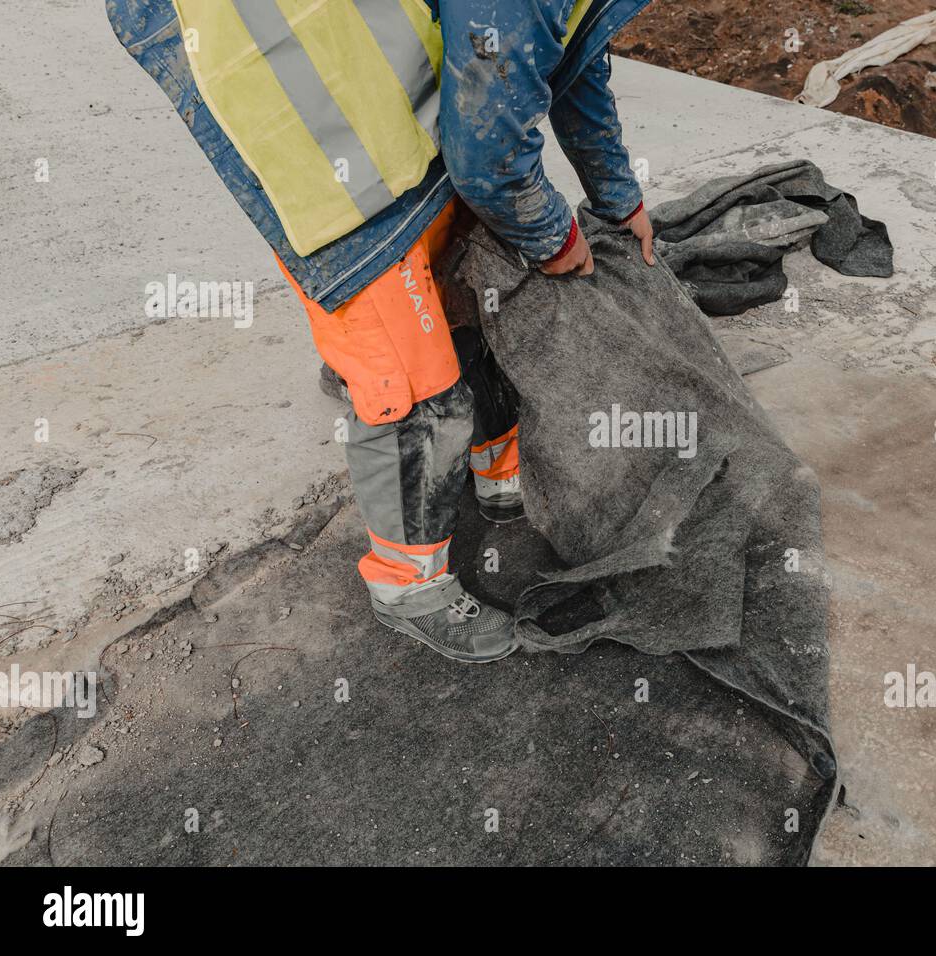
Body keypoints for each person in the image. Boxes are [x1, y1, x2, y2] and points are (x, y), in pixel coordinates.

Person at [107, 0, 656, 662]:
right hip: (333, 183)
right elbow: (491, 148)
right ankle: (409, 585)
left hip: (420, 126)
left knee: (477, 315)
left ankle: (499, 472)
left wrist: (618, 196)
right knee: (415, 394)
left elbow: (569, 48)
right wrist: (551, 234)